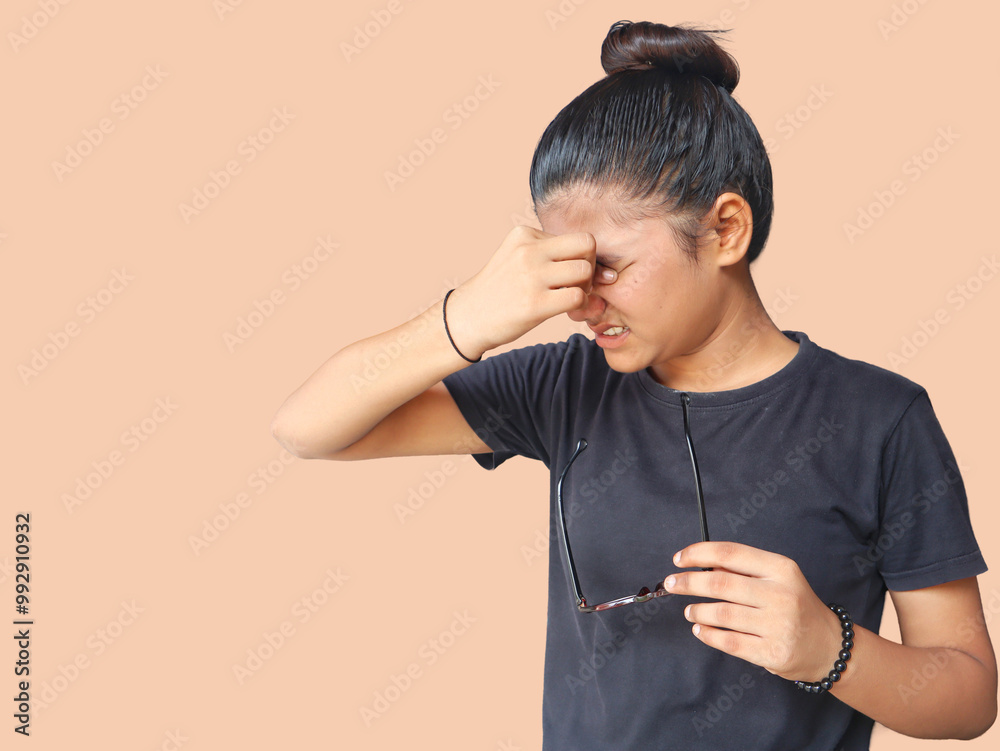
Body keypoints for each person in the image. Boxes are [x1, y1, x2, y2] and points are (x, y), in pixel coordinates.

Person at [271, 19, 997, 750]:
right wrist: (466, 317)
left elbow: (969, 697)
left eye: (608, 267)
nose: (582, 304)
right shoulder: (564, 384)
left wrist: (829, 649)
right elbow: (307, 427)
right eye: (564, 272)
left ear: (725, 231)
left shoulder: (881, 419)